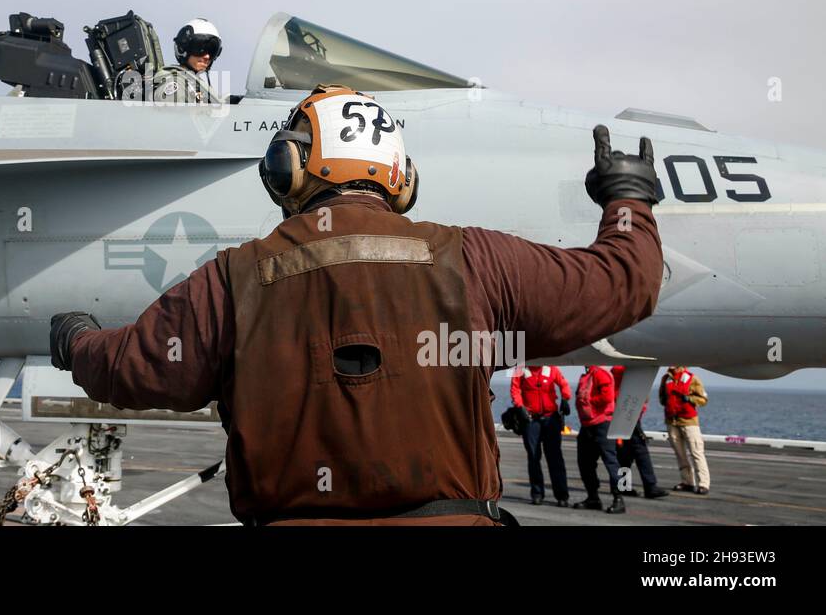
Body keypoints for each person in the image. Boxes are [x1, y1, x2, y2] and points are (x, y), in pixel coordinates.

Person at [49, 87, 664, 525]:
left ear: (289, 166)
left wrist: (76, 340)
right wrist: (628, 200)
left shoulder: (234, 278)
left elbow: (131, 367)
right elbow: (621, 284)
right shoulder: (474, 261)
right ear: (402, 177)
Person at [510, 365, 573, 506]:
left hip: (551, 420)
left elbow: (564, 384)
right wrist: (520, 407)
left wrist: (565, 398)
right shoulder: (520, 369)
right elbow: (515, 389)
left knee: (555, 458)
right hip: (531, 421)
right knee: (533, 457)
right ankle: (537, 493)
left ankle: (562, 495)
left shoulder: (552, 368)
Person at [610, 364, 669, 499]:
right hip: (629, 415)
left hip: (625, 414)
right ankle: (650, 486)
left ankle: (623, 486)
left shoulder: (621, 371)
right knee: (640, 451)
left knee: (625, 454)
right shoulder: (624, 370)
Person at [574, 364, 626, 513]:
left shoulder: (600, 373)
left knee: (611, 461)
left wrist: (588, 400)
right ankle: (593, 497)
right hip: (588, 425)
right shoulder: (587, 375)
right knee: (585, 463)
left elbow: (607, 397)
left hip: (602, 424)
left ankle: (619, 499)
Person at [661, 365, 710, 494]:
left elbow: (703, 399)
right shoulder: (666, 379)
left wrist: (689, 399)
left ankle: (703, 483)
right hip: (672, 421)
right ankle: (687, 482)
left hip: (689, 422)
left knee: (696, 452)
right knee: (680, 454)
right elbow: (662, 399)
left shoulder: (692, 379)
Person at [159, 18, 222, 103]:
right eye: (200, 49)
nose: (207, 56)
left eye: (212, 50)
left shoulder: (196, 86)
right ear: (183, 48)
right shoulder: (176, 84)